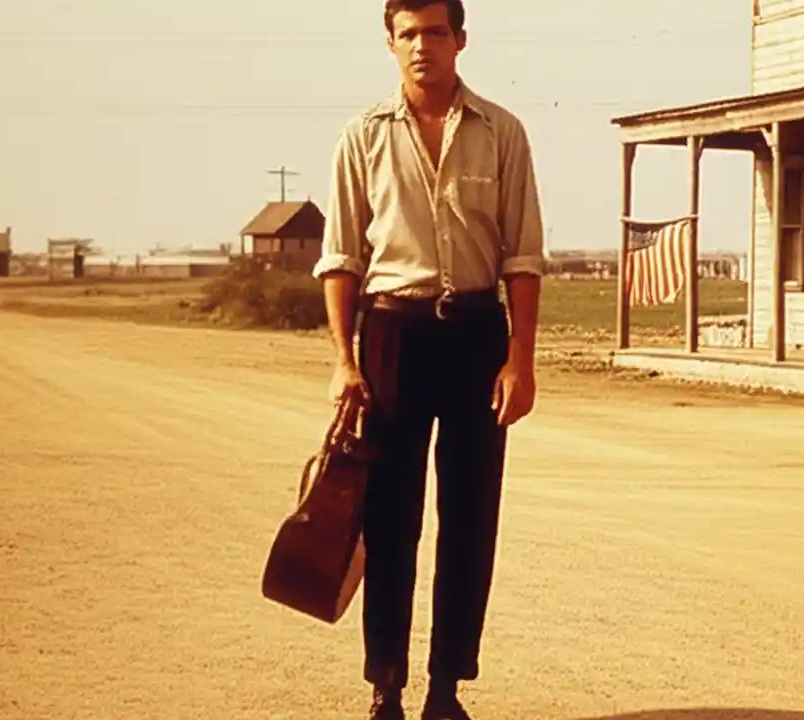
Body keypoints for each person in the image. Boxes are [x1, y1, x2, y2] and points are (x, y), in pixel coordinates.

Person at [311, 1, 545, 718]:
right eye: (407, 34)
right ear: (390, 43)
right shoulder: (362, 137)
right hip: (392, 335)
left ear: (460, 40)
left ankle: (447, 690)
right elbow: (341, 258)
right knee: (389, 518)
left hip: (475, 334)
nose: (421, 47)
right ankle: (387, 685)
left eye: (434, 32)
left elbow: (524, 256)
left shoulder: (501, 132)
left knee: (470, 517)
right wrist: (344, 361)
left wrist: (520, 360)